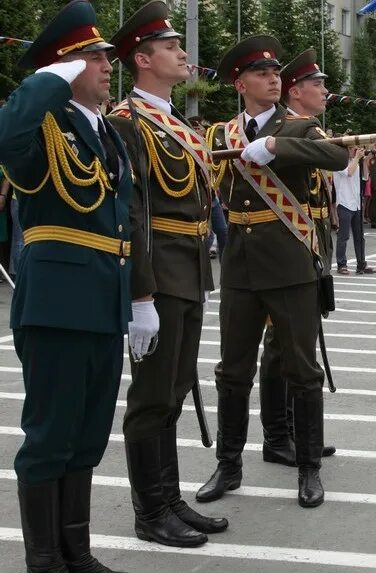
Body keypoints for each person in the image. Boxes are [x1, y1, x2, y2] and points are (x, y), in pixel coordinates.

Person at [0, 2, 141, 571]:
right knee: (51, 437)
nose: (107, 65)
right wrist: (45, 81)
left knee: (86, 437)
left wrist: (138, 301)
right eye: (90, 57)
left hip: (105, 304)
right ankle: (44, 562)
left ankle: (75, 553)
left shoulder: (104, 132)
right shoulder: (43, 130)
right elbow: (7, 135)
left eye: (106, 55)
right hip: (57, 305)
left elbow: (122, 222)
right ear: (61, 70)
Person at [196, 35, 347, 509]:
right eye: (261, 74)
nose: (272, 78)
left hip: (289, 263)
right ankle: (228, 466)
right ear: (241, 83)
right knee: (232, 371)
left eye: (275, 72)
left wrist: (277, 145)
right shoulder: (220, 135)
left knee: (302, 369)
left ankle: (308, 469)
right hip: (239, 266)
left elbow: (339, 156)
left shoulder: (299, 127)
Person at [106, 0, 227, 548]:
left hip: (191, 270)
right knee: (152, 398)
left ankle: (170, 498)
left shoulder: (175, 125)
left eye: (180, 45)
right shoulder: (127, 123)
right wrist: (140, 294)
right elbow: (132, 211)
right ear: (143, 59)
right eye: (172, 47)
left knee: (175, 392)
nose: (183, 54)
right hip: (158, 275)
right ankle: (149, 511)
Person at [254, 48, 342, 470]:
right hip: (282, 250)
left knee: (299, 342)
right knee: (278, 348)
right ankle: (278, 435)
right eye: (317, 84)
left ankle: (297, 431)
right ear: (296, 91)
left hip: (311, 244)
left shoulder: (307, 128)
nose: (325, 90)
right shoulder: (285, 129)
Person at [333, 145, 376, 274]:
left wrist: (365, 161)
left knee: (359, 237)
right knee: (344, 236)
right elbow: (349, 173)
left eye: (356, 148)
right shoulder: (339, 163)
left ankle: (361, 264)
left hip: (356, 203)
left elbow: (365, 177)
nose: (355, 150)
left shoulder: (356, 162)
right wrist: (357, 158)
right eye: (352, 148)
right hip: (344, 203)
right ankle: (341, 264)